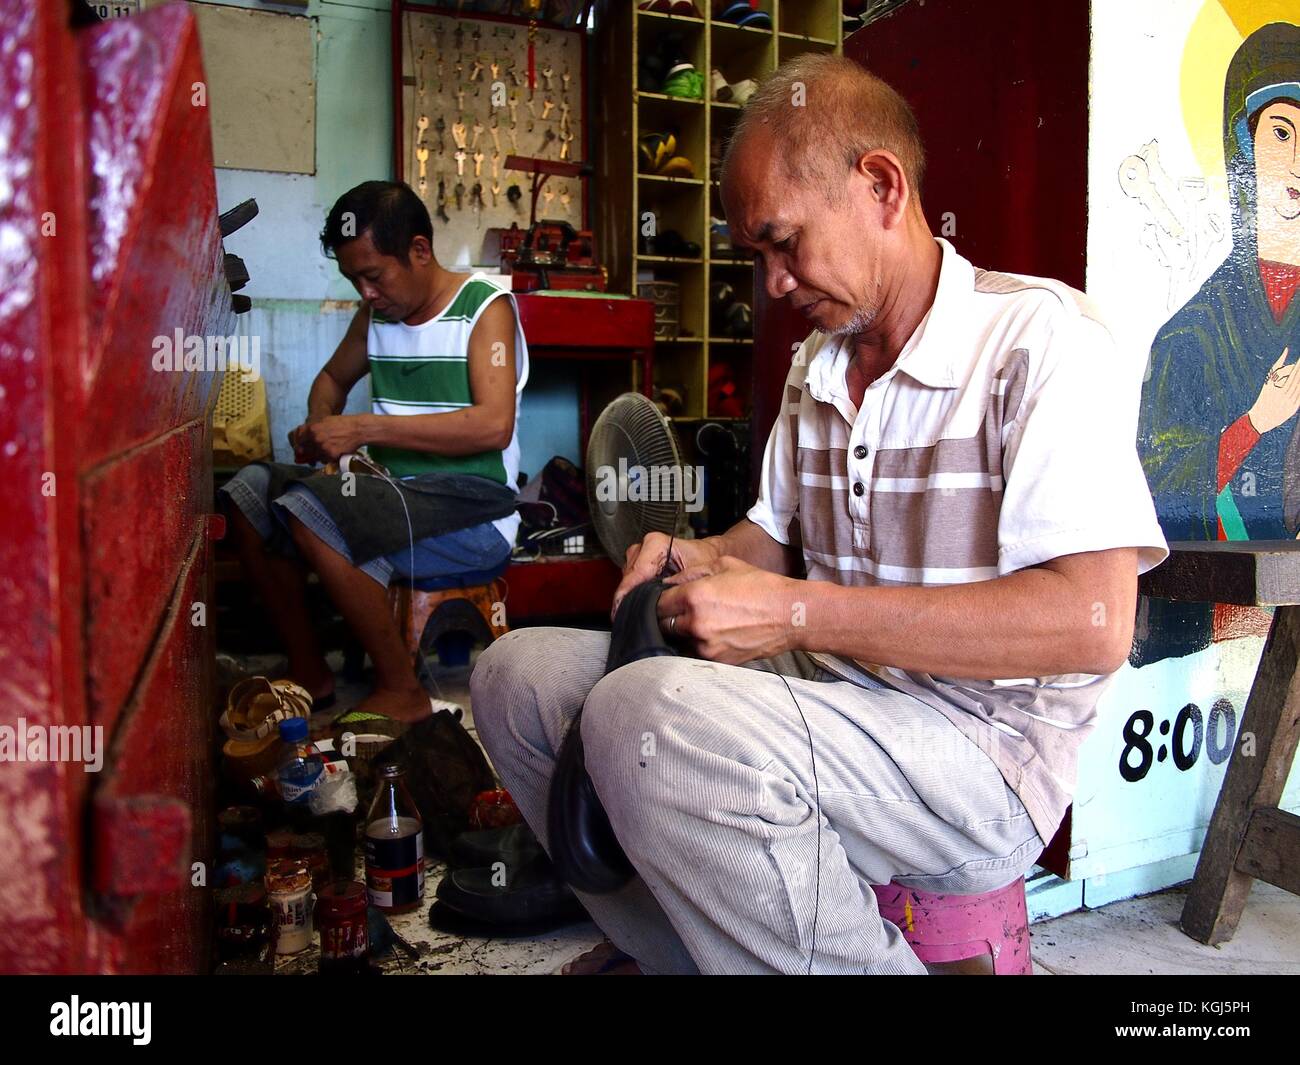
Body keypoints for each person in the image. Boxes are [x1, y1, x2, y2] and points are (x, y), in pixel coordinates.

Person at [471, 54, 1167, 975]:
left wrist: (794, 610)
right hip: (832, 698)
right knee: (517, 679)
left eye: (783, 243)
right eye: (755, 257)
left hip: (977, 760)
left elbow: (1091, 623)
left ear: (880, 184)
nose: (772, 285)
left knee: (649, 714)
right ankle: (687, 955)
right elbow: (762, 541)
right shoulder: (821, 365)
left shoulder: (1042, 345)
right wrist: (692, 556)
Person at [220, 181, 528, 723]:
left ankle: (403, 690)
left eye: (373, 275)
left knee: (311, 512)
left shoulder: (485, 309)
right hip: (392, 495)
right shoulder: (376, 316)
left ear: (418, 250)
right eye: (353, 279)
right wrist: (322, 433)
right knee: (250, 492)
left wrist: (359, 429)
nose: (365, 292)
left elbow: (493, 426)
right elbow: (330, 382)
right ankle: (310, 672)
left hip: (475, 512)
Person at [1137, 22, 1300, 666]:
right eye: (1282, 133)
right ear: (1244, 148)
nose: (1298, 161)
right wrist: (1255, 423)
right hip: (1216, 643)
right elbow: (1154, 497)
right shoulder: (1188, 336)